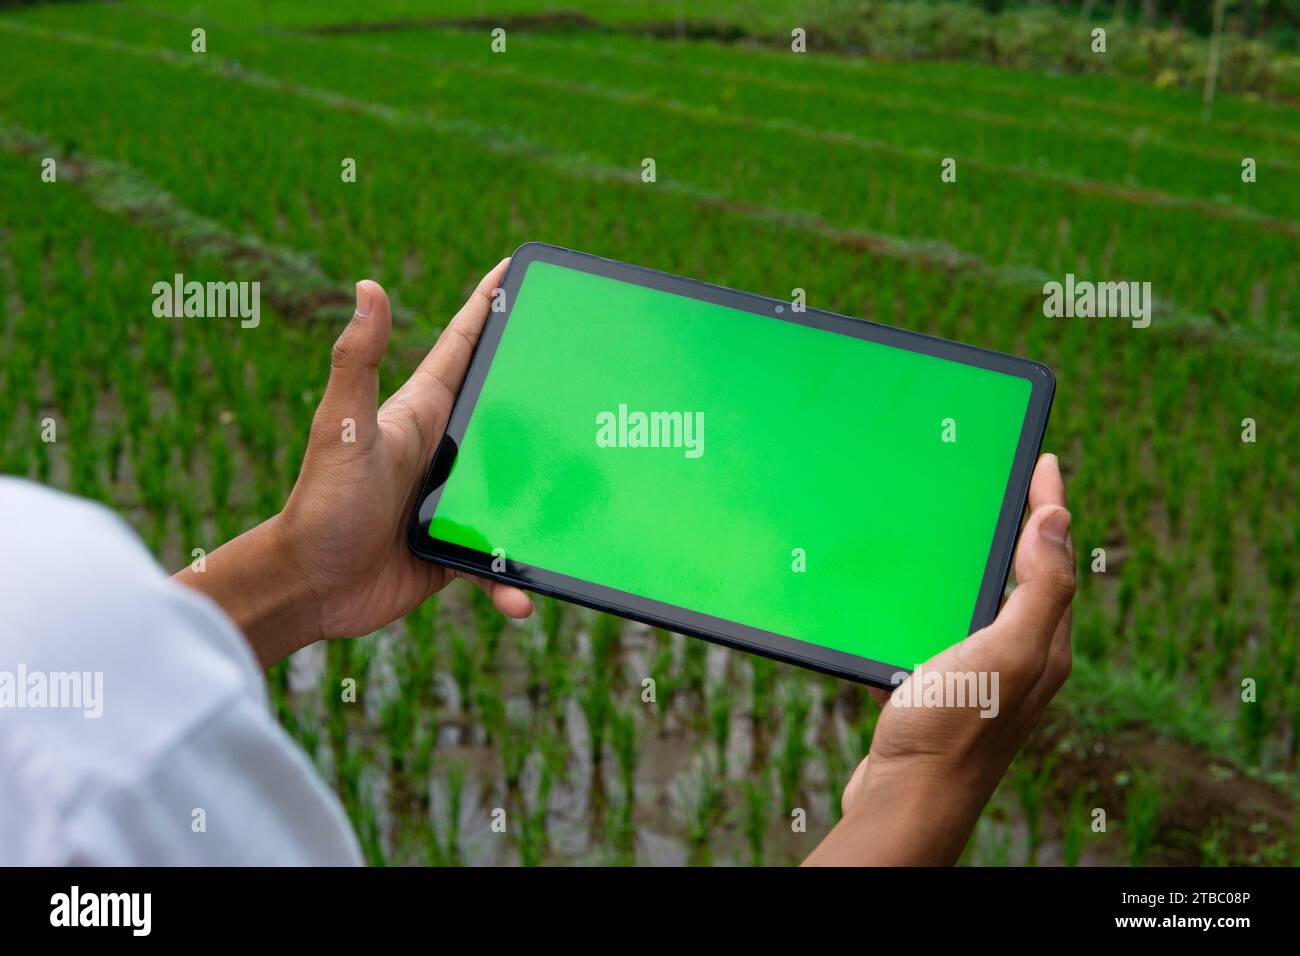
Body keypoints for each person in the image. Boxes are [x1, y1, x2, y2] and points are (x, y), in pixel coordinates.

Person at [0, 259, 1075, 865]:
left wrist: (300, 572)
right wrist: (926, 786)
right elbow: (80, 695)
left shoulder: (61, 633)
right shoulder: (62, 649)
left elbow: (88, 679)